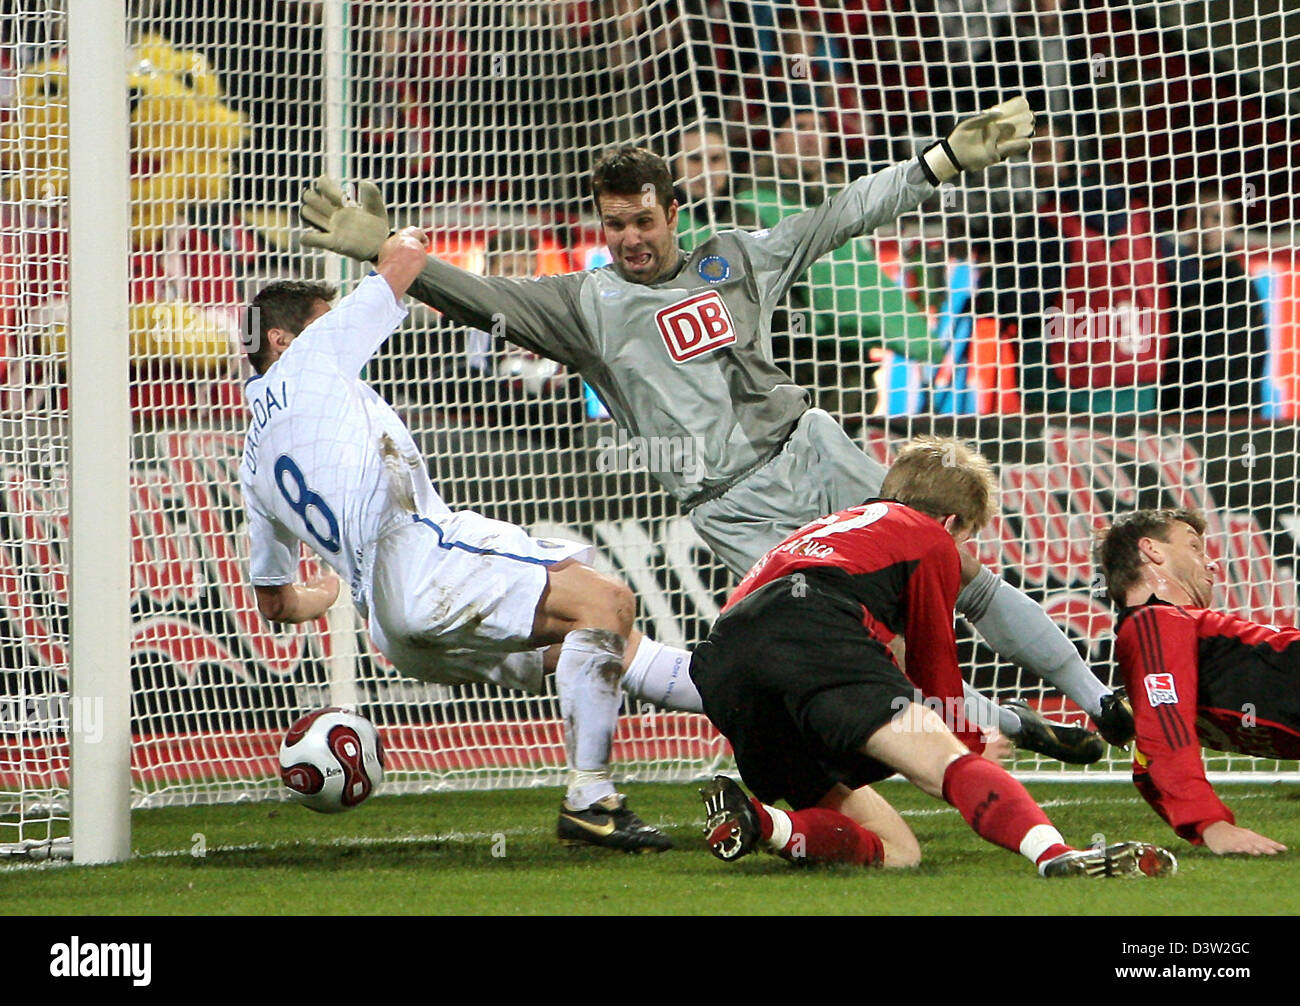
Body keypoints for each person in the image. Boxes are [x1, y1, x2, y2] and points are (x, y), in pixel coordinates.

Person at [298, 95, 1133, 760]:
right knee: (857, 656)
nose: (628, 238)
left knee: (963, 581)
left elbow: (839, 214)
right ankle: (1023, 727)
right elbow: (483, 297)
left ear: (672, 211)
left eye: (643, 221)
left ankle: (1101, 699)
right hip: (734, 511)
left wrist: (941, 161)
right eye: (613, 223)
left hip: (818, 453)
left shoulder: (733, 258)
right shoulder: (585, 306)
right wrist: (391, 254)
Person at [239, 227, 702, 852]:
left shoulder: (251, 459)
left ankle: (742, 695)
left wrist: (324, 597)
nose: (337, 328)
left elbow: (273, 603)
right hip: (428, 556)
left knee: (599, 643)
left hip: (393, 631)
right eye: (324, 320)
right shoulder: (311, 358)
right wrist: (376, 235)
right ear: (281, 339)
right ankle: (591, 801)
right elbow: (405, 258)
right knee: (608, 605)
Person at [690, 437, 1175, 878]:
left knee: (898, 849)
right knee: (946, 763)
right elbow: (933, 667)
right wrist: (969, 740)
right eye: (964, 538)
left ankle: (758, 821)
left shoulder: (827, 529)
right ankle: (1056, 855)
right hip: (815, 634)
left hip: (722, 668)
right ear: (950, 524)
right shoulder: (927, 537)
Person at [1094, 507, 1293, 856]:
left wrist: (1205, 824)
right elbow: (1161, 737)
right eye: (1195, 547)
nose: (1211, 563)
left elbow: (1154, 752)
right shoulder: (1155, 621)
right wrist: (1210, 825)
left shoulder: (1168, 630)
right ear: (1152, 551)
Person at [732, 104, 942, 417]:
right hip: (793, 366)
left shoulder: (844, 198)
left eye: (819, 127)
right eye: (800, 127)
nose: (811, 138)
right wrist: (811, 321)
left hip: (852, 365)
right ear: (775, 140)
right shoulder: (751, 204)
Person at [1159, 185, 1269, 416]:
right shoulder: (1172, 279)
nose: (1207, 225)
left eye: (1217, 218)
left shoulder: (1238, 287)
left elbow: (1225, 364)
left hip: (1226, 416)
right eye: (1199, 217)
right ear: (1185, 224)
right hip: (1178, 411)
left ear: (1231, 227)